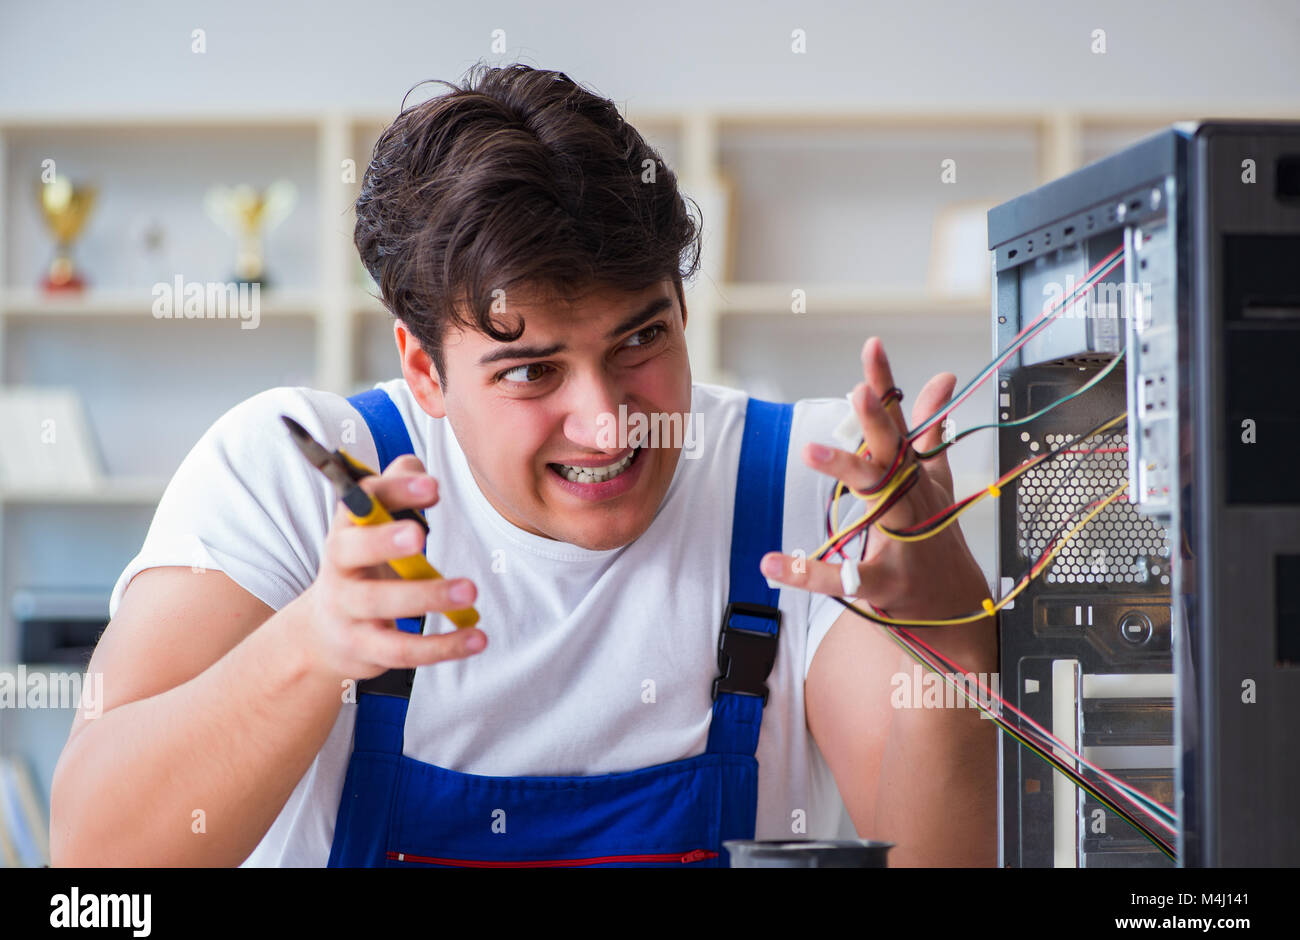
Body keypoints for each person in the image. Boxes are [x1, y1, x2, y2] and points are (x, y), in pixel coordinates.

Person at [49, 62, 996, 867]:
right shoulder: (295, 473)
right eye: (533, 368)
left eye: (640, 339)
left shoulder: (811, 479)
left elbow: (932, 857)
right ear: (424, 367)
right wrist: (310, 648)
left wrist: (952, 651)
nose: (604, 424)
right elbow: (90, 856)